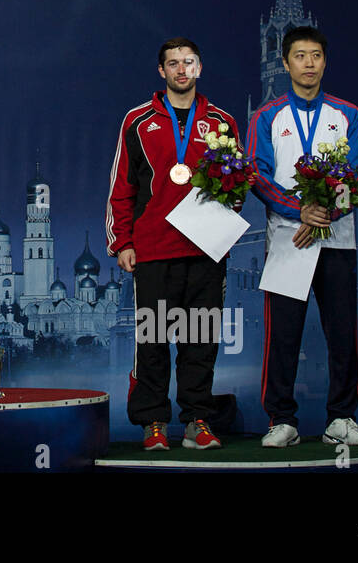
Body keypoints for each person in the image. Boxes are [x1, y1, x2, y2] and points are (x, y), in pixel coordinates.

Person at [105, 37, 239, 451]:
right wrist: (121, 241)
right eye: (173, 64)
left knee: (200, 340)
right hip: (154, 250)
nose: (182, 70)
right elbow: (122, 185)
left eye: (189, 62)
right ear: (161, 72)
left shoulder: (222, 121)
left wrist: (229, 214)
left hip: (204, 250)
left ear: (199, 68)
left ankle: (198, 422)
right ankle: (153, 424)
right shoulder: (138, 120)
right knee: (154, 339)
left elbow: (236, 184)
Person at [247, 25, 358, 447]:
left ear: (325, 61)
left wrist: (324, 214)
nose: (309, 63)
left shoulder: (348, 114)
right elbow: (258, 177)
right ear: (285, 63)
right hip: (287, 239)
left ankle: (342, 418)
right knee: (283, 335)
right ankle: (281, 420)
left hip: (337, 240)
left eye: (316, 55)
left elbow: (356, 177)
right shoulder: (266, 117)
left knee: (342, 332)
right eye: (300, 56)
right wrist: (298, 210)